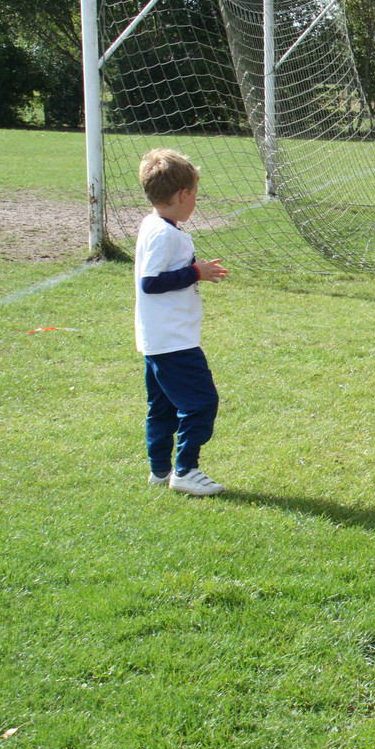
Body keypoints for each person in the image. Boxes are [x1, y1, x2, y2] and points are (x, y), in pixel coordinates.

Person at [133, 148, 229, 497]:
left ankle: (160, 470)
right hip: (174, 341)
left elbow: (160, 273)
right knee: (201, 402)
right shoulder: (164, 234)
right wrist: (194, 272)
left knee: (162, 406)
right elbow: (150, 282)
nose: (195, 203)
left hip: (158, 338)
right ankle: (186, 469)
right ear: (183, 194)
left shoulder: (154, 224)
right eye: (195, 195)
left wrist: (194, 270)